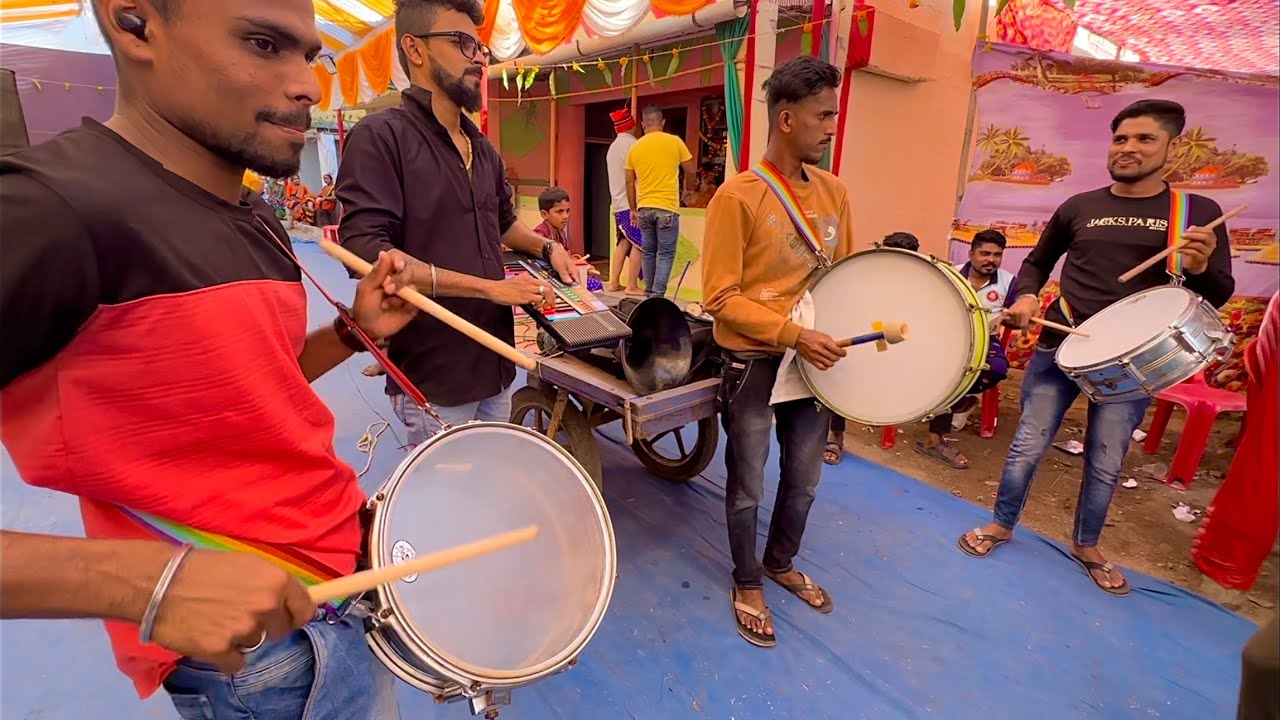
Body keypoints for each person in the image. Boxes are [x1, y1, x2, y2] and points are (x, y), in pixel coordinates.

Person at [0, 1, 417, 718]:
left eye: (308, 55)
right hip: (263, 659)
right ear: (134, 23)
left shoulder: (255, 215)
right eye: (262, 44)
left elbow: (253, 387)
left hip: (340, 589)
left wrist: (353, 332)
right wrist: (144, 585)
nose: (308, 86)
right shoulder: (50, 210)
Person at [958, 99, 1235, 596]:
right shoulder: (1079, 206)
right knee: (1028, 444)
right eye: (1121, 138)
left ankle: (1086, 544)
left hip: (1131, 362)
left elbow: (1218, 292)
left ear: (1172, 147)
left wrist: (1197, 268)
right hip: (1060, 341)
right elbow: (1038, 263)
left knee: (1106, 458)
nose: (1128, 148)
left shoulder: (1197, 214)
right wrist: (1025, 295)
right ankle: (1001, 524)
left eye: (1144, 139)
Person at [336, 0, 577, 445]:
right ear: (415, 49)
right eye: (462, 42)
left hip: (496, 359)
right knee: (447, 506)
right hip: (435, 371)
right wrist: (489, 288)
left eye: (480, 46)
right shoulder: (382, 137)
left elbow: (503, 225)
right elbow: (366, 252)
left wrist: (549, 248)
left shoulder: (482, 150)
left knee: (489, 491)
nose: (478, 58)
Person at [702, 55, 854, 648]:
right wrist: (792, 334)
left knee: (806, 479)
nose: (831, 127)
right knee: (748, 485)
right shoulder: (737, 197)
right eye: (824, 116)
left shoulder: (837, 193)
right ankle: (746, 581)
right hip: (753, 362)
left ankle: (780, 562)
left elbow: (843, 277)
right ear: (786, 120)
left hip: (811, 362)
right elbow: (719, 297)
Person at [914, 229, 1015, 468]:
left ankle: (958, 398)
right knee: (944, 369)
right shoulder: (951, 274)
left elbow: (1015, 311)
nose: (991, 259)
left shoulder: (1008, 281)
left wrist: (1006, 318)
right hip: (947, 337)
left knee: (998, 368)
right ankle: (942, 423)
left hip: (985, 340)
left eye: (997, 255)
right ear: (971, 253)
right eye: (985, 253)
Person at [824, 230, 920, 465]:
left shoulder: (921, 287)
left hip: (898, 346)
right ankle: (836, 434)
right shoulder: (860, 277)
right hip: (859, 340)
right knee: (841, 365)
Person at [626, 104, 695, 297]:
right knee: (665, 254)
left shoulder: (635, 147)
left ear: (643, 124)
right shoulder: (675, 142)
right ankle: (657, 295)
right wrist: (688, 190)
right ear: (662, 122)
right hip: (667, 209)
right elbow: (690, 169)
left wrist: (633, 208)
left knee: (648, 252)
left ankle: (650, 293)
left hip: (644, 208)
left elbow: (629, 182)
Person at [605, 106, 643, 295]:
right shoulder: (635, 145)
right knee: (639, 243)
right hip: (632, 204)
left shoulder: (612, 148)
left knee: (623, 242)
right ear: (633, 125)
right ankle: (632, 285)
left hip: (617, 204)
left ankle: (613, 282)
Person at [533, 186, 571, 250]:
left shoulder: (561, 232)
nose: (566, 216)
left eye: (567, 211)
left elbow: (567, 254)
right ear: (544, 214)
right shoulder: (540, 235)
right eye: (560, 211)